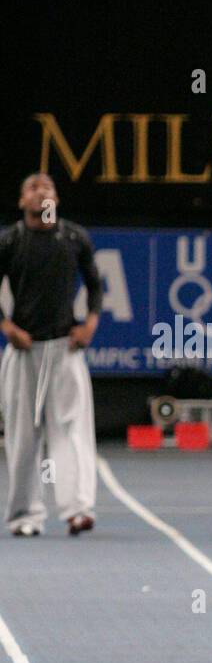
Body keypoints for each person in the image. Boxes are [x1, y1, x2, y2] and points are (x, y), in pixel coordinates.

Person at [0, 173, 101, 537]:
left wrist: (90, 322)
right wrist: (7, 327)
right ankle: (25, 514)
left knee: (72, 432)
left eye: (48, 188)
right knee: (23, 435)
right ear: (22, 201)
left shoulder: (73, 238)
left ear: (55, 199)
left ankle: (77, 509)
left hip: (65, 350)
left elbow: (94, 284)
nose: (41, 191)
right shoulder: (11, 241)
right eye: (32, 188)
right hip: (24, 352)